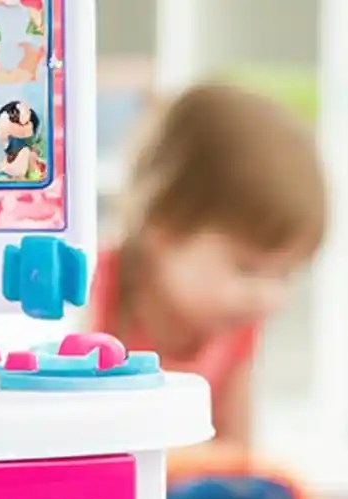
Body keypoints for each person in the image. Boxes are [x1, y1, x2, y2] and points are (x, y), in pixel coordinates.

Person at [92, 84, 326, 463]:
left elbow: (238, 451)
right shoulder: (97, 286)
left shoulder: (238, 321)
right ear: (163, 229)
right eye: (247, 268)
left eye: (284, 275)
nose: (269, 297)